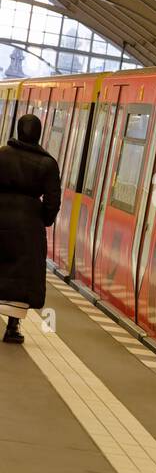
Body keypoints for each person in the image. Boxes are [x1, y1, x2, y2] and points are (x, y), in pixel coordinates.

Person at [0, 114, 61, 344]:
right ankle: (13, 327)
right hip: (28, 224)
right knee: (21, 275)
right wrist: (43, 220)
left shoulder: (2, 154)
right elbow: (53, 200)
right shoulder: (47, 163)